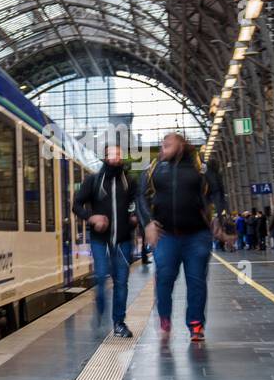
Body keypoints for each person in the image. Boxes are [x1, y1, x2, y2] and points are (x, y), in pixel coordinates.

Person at [138, 132, 225, 342]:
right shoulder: (153, 169)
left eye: (167, 144)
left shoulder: (201, 166)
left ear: (181, 144)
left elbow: (217, 193)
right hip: (165, 235)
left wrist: (219, 218)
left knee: (196, 281)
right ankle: (165, 318)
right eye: (162, 145)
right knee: (164, 280)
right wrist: (148, 222)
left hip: (197, 235)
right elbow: (141, 197)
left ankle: (196, 324)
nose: (162, 148)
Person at [72, 144, 136, 338]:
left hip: (123, 240)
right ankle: (100, 308)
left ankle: (119, 323)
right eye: (110, 154)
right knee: (100, 277)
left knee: (121, 282)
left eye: (118, 153)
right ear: (104, 157)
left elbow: (137, 204)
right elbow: (76, 204)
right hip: (100, 240)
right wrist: (91, 218)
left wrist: (136, 218)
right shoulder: (93, 180)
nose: (114, 157)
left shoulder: (129, 182)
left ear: (122, 156)